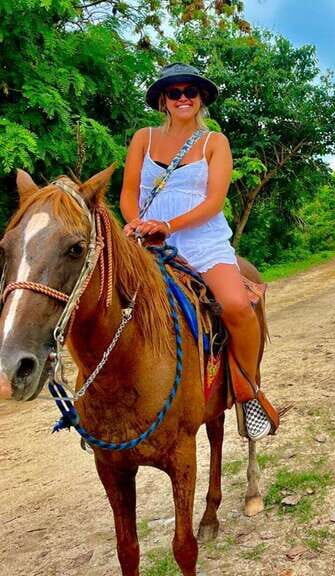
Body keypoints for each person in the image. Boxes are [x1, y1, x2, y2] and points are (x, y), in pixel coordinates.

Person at [120, 62, 279, 440]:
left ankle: (248, 391)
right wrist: (137, 222)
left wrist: (169, 226)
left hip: (201, 241)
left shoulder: (214, 142)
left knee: (237, 306)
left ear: (201, 98)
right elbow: (128, 193)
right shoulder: (143, 137)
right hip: (147, 242)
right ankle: (97, 399)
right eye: (174, 92)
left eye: (190, 91)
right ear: (163, 100)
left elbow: (214, 201)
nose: (183, 98)